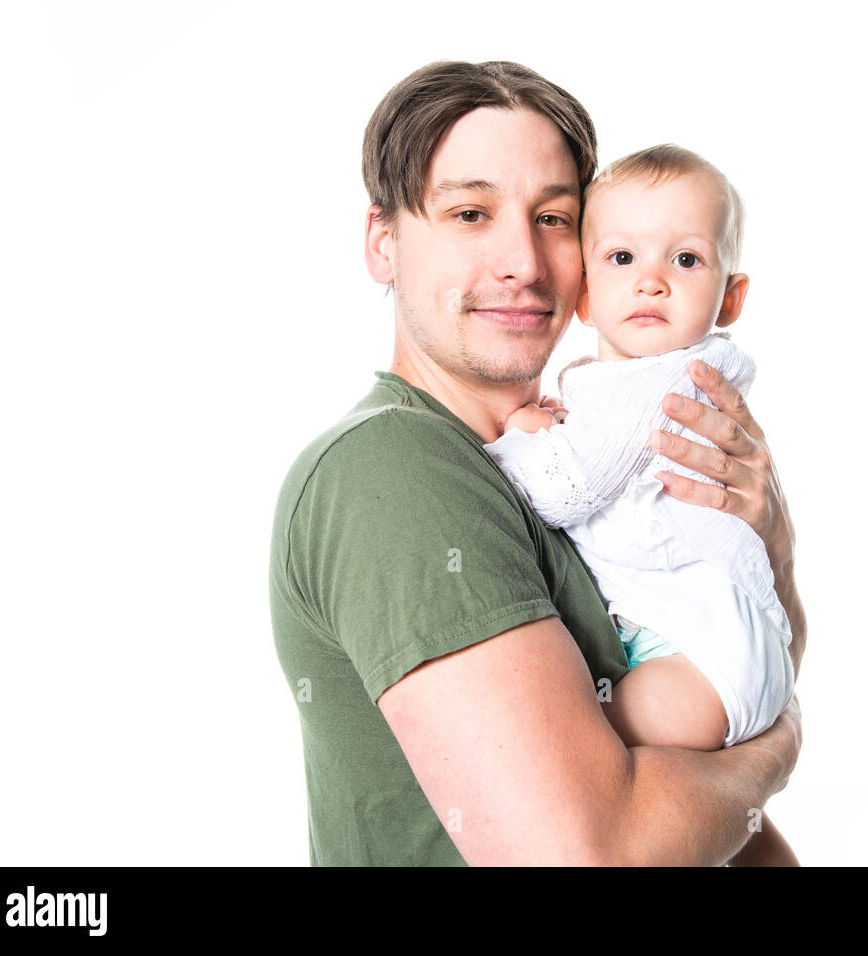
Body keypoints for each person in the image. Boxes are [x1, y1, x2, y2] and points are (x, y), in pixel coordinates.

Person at [269, 60, 807, 866]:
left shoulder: (577, 458)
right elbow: (592, 855)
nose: (522, 259)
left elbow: (739, 657)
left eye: (554, 219)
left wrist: (774, 543)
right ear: (384, 243)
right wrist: (775, 752)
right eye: (471, 212)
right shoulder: (393, 471)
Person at [484, 145, 800, 862]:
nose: (653, 281)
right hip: (732, 647)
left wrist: (515, 441)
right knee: (716, 831)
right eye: (623, 259)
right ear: (588, 295)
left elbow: (566, 490)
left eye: (685, 260)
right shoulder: (641, 381)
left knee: (579, 751)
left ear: (731, 297)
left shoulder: (654, 385)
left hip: (696, 657)